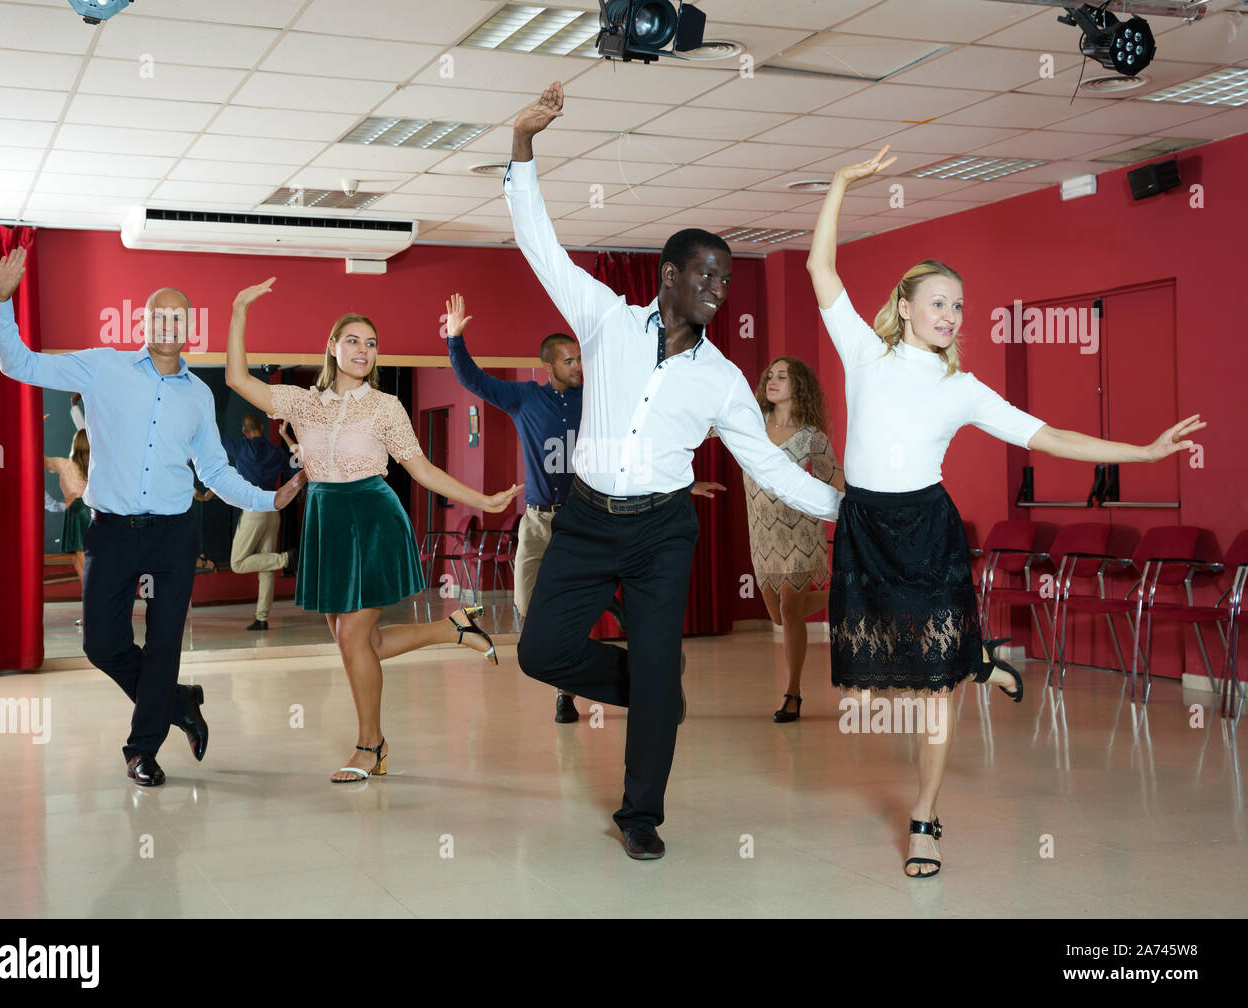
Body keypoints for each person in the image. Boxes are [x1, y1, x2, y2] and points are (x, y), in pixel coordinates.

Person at [809, 144, 1207, 879]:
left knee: (930, 687)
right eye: (937, 302)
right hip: (864, 527)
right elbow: (819, 270)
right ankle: (978, 660)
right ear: (904, 307)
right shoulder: (864, 354)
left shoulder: (965, 390)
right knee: (886, 671)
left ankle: (926, 817)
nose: (951, 315)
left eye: (959, 306)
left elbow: (1049, 434)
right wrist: (839, 182)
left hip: (926, 530)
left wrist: (1144, 454)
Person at [506, 82, 842, 860]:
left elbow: (769, 466)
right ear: (667, 275)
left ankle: (641, 814)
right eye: (708, 276)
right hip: (586, 519)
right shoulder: (603, 320)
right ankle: (657, 691)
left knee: (657, 662)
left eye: (727, 280)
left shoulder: (723, 379)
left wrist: (842, 507)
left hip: (662, 530)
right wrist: (523, 144)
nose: (720, 291)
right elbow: (539, 244)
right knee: (541, 652)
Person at [0, 248, 306, 787]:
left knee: (162, 644)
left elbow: (216, 472)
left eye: (177, 316)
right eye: (158, 314)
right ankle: (177, 701)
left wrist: (267, 499)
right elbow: (19, 362)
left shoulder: (200, 397)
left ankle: (142, 749)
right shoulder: (101, 365)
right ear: (144, 321)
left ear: (188, 330)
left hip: (172, 535)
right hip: (111, 532)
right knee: (102, 644)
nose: (166, 323)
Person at [223, 278, 521, 783]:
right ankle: (453, 628)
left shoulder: (386, 407)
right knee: (353, 642)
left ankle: (370, 745)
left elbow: (422, 469)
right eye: (353, 340)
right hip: (325, 517)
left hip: (372, 517)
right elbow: (235, 379)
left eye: (371, 343)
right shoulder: (302, 402)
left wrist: (483, 499)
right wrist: (237, 310)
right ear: (333, 347)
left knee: (354, 640)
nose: (363, 350)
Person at [442, 292, 587, 723]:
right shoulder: (525, 398)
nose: (578, 367)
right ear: (548, 367)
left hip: (583, 519)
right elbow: (473, 380)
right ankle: (556, 660)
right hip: (540, 521)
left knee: (572, 606)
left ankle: (567, 690)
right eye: (569, 361)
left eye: (580, 359)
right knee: (526, 600)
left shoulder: (594, 400)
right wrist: (455, 340)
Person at [743, 357, 844, 723]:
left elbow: (836, 478)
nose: (773, 380)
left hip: (800, 535)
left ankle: (793, 693)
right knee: (780, 616)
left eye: (782, 376)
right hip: (763, 537)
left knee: (789, 610)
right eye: (770, 374)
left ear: (797, 386)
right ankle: (845, 592)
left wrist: (869, 511)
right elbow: (704, 432)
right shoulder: (749, 427)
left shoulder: (811, 436)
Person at [220, 413, 297, 631]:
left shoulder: (240, 447)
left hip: (254, 510)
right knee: (266, 565)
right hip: (273, 509)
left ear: (244, 432)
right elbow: (294, 467)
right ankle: (261, 618)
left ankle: (286, 559)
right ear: (262, 428)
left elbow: (216, 438)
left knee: (237, 563)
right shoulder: (276, 451)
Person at [43, 418, 91, 582]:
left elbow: (39, 459)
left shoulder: (65, 465)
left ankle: (90, 593)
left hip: (78, 510)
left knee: (80, 554)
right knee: (77, 556)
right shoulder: (98, 464)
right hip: (94, 509)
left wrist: (35, 429)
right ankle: (89, 594)